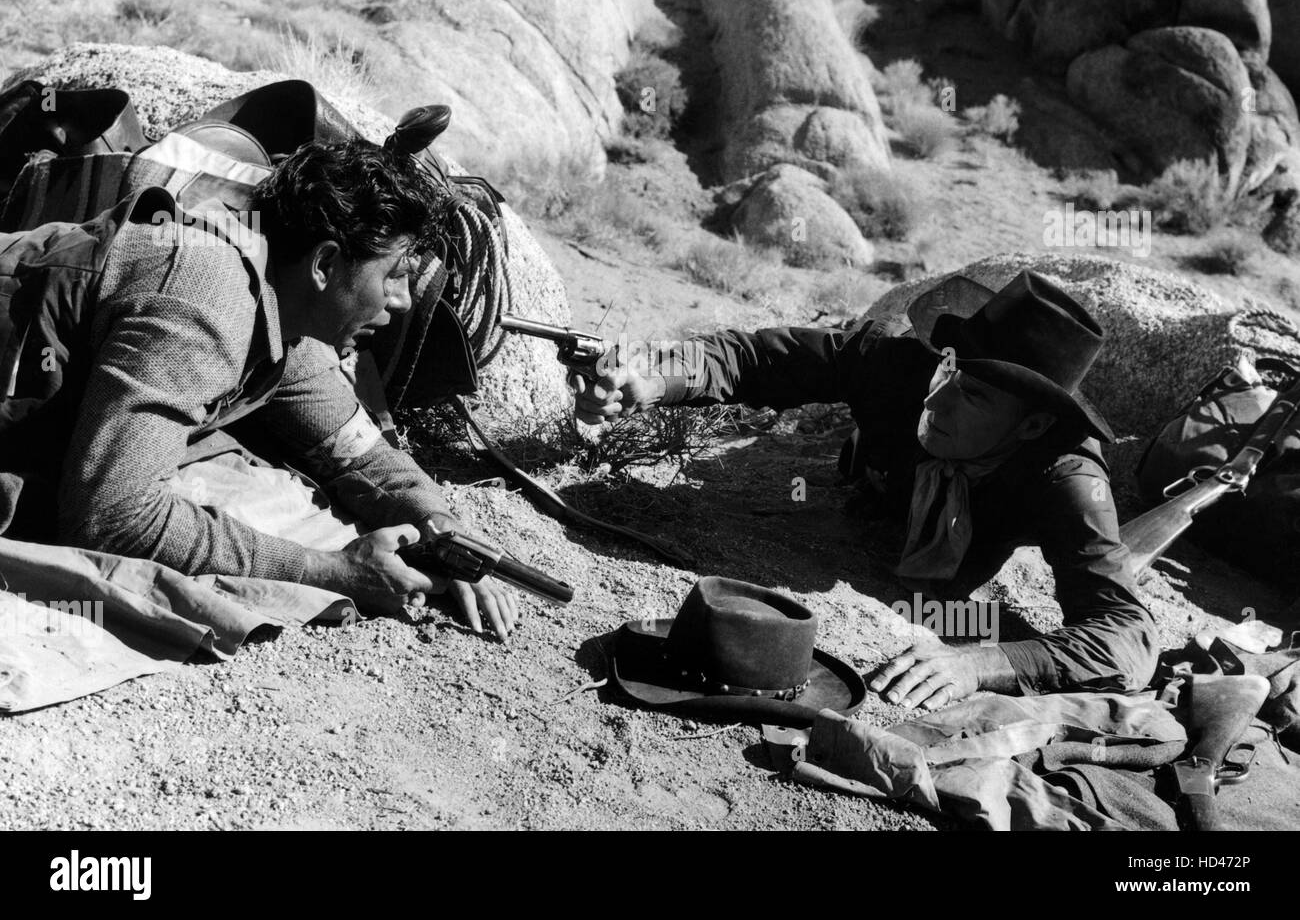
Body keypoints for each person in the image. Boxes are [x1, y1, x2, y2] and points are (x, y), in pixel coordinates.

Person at [0, 139, 520, 639]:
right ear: (324, 264)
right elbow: (113, 518)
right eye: (394, 274)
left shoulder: (287, 315)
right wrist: (335, 572)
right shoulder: (208, 296)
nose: (404, 301)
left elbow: (358, 454)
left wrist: (439, 525)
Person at [573, 271, 1159, 705]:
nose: (939, 397)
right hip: (867, 485)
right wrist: (654, 379)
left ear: (1031, 425)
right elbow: (758, 359)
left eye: (975, 395)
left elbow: (1126, 635)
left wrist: (984, 663)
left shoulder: (1068, 479)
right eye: (949, 371)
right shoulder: (899, 363)